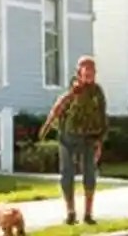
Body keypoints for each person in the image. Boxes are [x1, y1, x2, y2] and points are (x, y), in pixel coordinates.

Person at [38, 55, 108, 226]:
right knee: (67, 173)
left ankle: (88, 214)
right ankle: (70, 212)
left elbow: (102, 117)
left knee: (89, 174)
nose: (89, 72)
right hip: (68, 136)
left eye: (92, 69)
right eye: (86, 69)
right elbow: (58, 107)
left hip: (89, 138)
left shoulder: (98, 93)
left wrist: (100, 142)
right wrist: (47, 126)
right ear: (79, 72)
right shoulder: (73, 90)